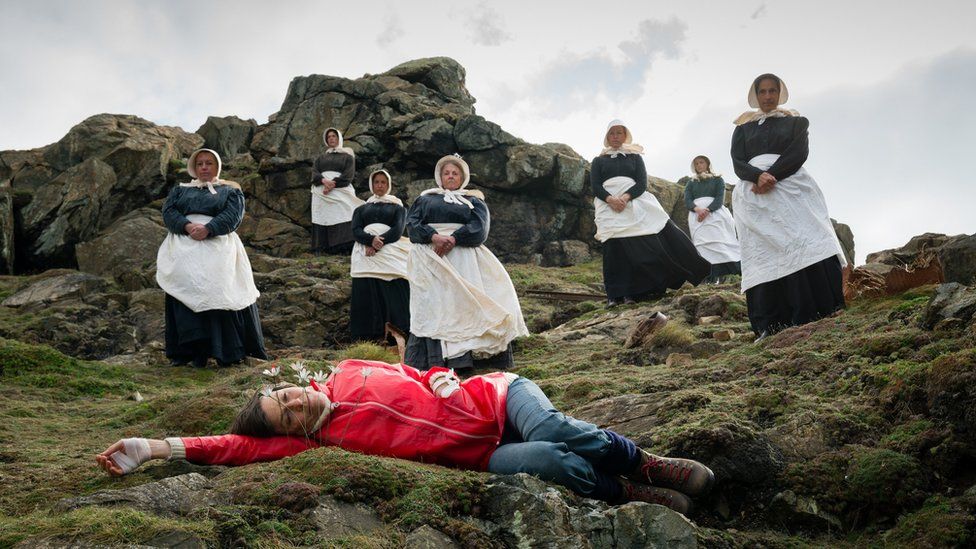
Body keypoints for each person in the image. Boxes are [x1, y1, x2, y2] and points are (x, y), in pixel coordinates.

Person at [96, 358, 715, 514]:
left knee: (551, 424)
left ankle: (647, 463)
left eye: (284, 395)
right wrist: (152, 448)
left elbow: (419, 369)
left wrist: (444, 378)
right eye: (285, 413)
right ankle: (627, 494)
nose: (293, 403)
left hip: (496, 395)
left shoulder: (346, 370)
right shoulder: (322, 442)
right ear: (291, 431)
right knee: (548, 456)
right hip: (482, 453)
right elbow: (232, 448)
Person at [730, 73, 847, 339]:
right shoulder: (743, 128)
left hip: (791, 186)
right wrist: (756, 176)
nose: (768, 96)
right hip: (753, 193)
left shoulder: (796, 122)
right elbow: (737, 162)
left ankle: (815, 309)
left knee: (804, 239)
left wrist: (772, 175)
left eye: (773, 91)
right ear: (756, 95)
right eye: (763, 92)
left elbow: (798, 153)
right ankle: (771, 322)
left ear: (780, 93)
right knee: (764, 252)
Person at [404, 154, 528, 370]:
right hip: (431, 260)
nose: (450, 176)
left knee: (464, 305)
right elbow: (412, 225)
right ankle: (435, 361)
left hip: (464, 260)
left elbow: (480, 228)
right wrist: (433, 236)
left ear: (462, 177)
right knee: (436, 307)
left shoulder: (474, 201)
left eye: (455, 173)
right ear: (439, 177)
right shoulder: (424, 199)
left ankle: (467, 359)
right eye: (446, 173)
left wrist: (454, 238)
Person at [156, 148, 268, 368]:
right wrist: (187, 226)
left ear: (217, 166)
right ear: (194, 168)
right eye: (200, 164)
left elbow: (233, 215)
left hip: (218, 245)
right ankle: (190, 352)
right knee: (185, 290)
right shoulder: (180, 191)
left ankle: (226, 350)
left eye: (209, 163)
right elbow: (169, 212)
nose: (204, 167)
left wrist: (210, 228)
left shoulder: (230, 190)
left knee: (220, 291)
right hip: (183, 245)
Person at [591, 120, 710, 307]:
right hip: (608, 206)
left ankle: (632, 294)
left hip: (632, 202)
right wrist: (611, 199)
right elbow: (596, 185)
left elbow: (641, 183)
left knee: (638, 246)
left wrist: (625, 197)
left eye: (619, 133)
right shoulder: (598, 161)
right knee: (613, 250)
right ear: (607, 137)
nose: (615, 136)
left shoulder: (635, 158)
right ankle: (614, 295)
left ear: (625, 135)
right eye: (612, 133)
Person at [349, 169, 411, 341]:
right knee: (366, 291)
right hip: (364, 255)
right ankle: (366, 336)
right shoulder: (361, 209)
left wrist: (377, 244)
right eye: (376, 182)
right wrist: (369, 241)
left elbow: (398, 230)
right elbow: (355, 230)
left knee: (393, 290)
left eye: (383, 182)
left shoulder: (398, 208)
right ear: (372, 185)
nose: (380, 185)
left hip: (390, 253)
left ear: (388, 185)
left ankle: (398, 333)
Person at [684, 155, 742, 283]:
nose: (699, 165)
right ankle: (708, 276)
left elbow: (719, 198)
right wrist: (697, 209)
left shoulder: (717, 179)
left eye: (701, 162)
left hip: (715, 214)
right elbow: (687, 200)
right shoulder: (691, 182)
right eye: (696, 164)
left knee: (720, 240)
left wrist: (708, 210)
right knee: (702, 244)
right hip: (696, 216)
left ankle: (731, 272)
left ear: (708, 164)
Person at [309, 127, 362, 254]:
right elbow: (314, 173)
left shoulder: (348, 156)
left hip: (340, 190)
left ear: (339, 138)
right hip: (321, 192)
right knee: (322, 216)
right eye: (329, 137)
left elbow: (348, 175)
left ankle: (343, 246)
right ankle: (322, 247)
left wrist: (332, 184)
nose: (331, 138)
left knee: (345, 212)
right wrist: (323, 181)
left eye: (334, 136)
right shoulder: (321, 158)